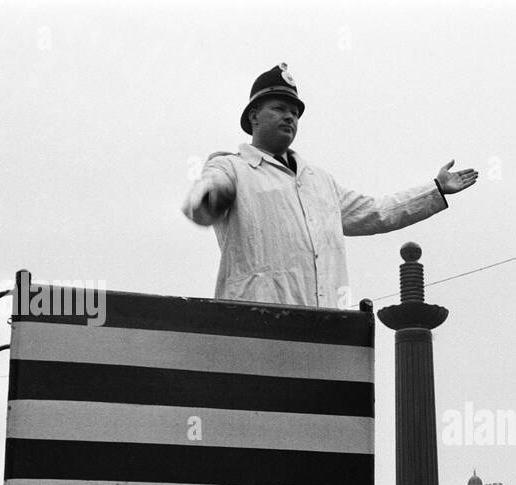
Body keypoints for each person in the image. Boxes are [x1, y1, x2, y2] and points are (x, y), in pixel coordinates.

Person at [182, 64, 478, 307]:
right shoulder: (232, 168)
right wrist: (208, 198)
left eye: (295, 113)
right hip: (255, 331)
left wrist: (435, 189)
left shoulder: (320, 182)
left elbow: (377, 212)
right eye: (279, 108)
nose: (289, 116)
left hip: (325, 333)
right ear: (254, 116)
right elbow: (203, 203)